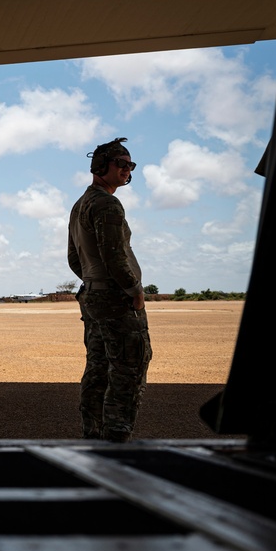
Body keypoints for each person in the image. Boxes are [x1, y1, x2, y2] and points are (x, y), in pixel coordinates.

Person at [67, 138, 153, 442]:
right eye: (122, 163)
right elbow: (115, 256)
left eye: (131, 165)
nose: (128, 170)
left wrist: (94, 281)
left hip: (93, 295)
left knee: (99, 366)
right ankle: (116, 436)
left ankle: (92, 433)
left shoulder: (81, 204)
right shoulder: (106, 203)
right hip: (116, 299)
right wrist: (134, 291)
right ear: (101, 166)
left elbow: (74, 259)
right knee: (130, 365)